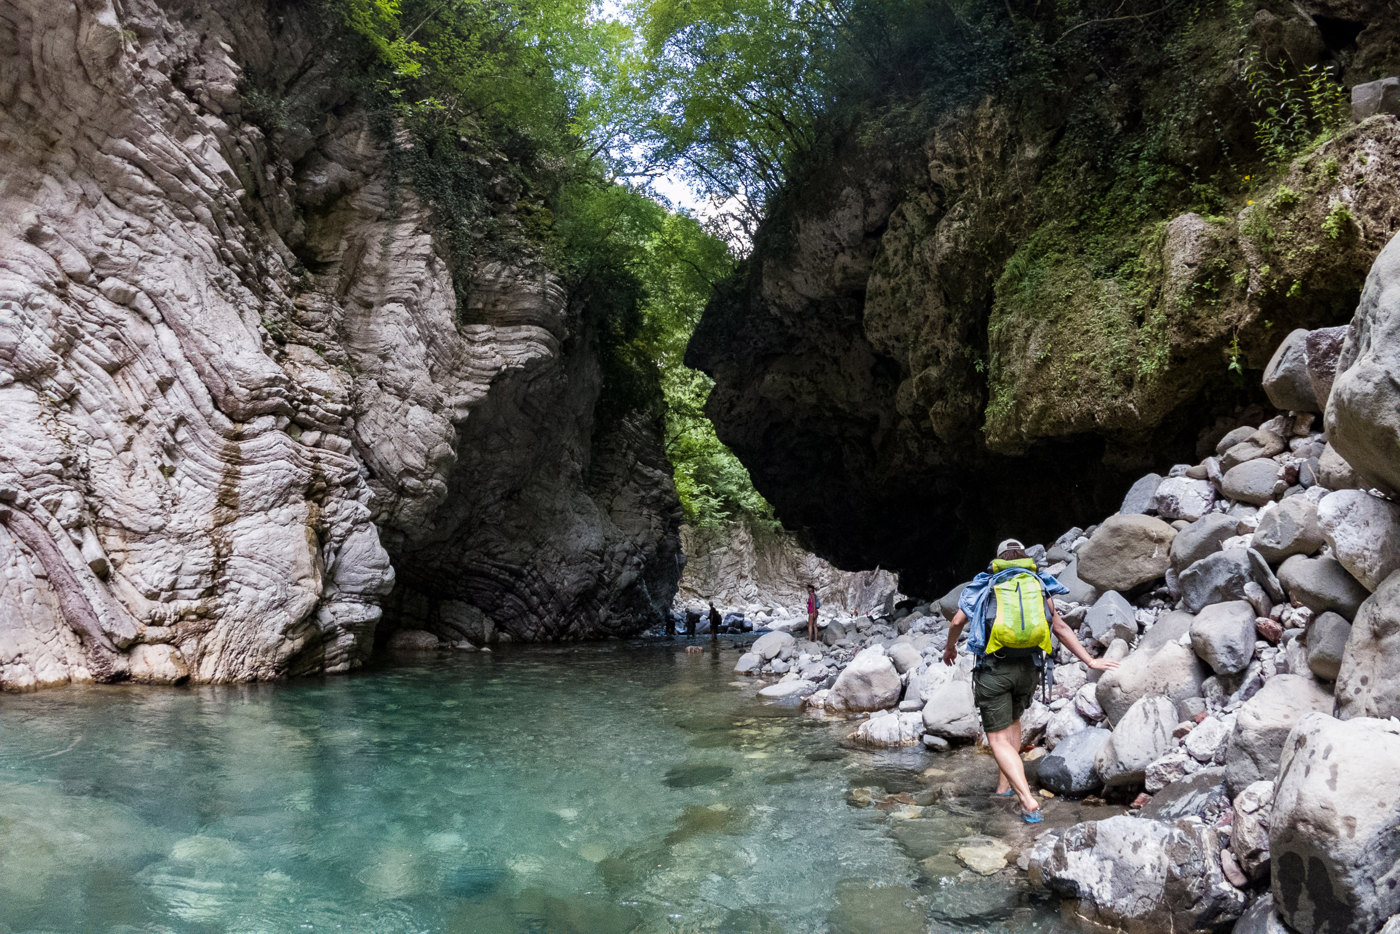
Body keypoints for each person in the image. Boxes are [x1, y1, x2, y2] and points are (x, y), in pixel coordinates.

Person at [942, 538, 1118, 823]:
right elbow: (1059, 627)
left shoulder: (988, 583)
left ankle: (1027, 800)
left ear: (999, 559)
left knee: (997, 738)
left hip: (995, 670)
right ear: (1024, 557)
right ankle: (1004, 788)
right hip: (1029, 669)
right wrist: (1090, 660)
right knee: (1013, 722)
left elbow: (956, 621)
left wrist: (950, 647)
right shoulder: (1038, 584)